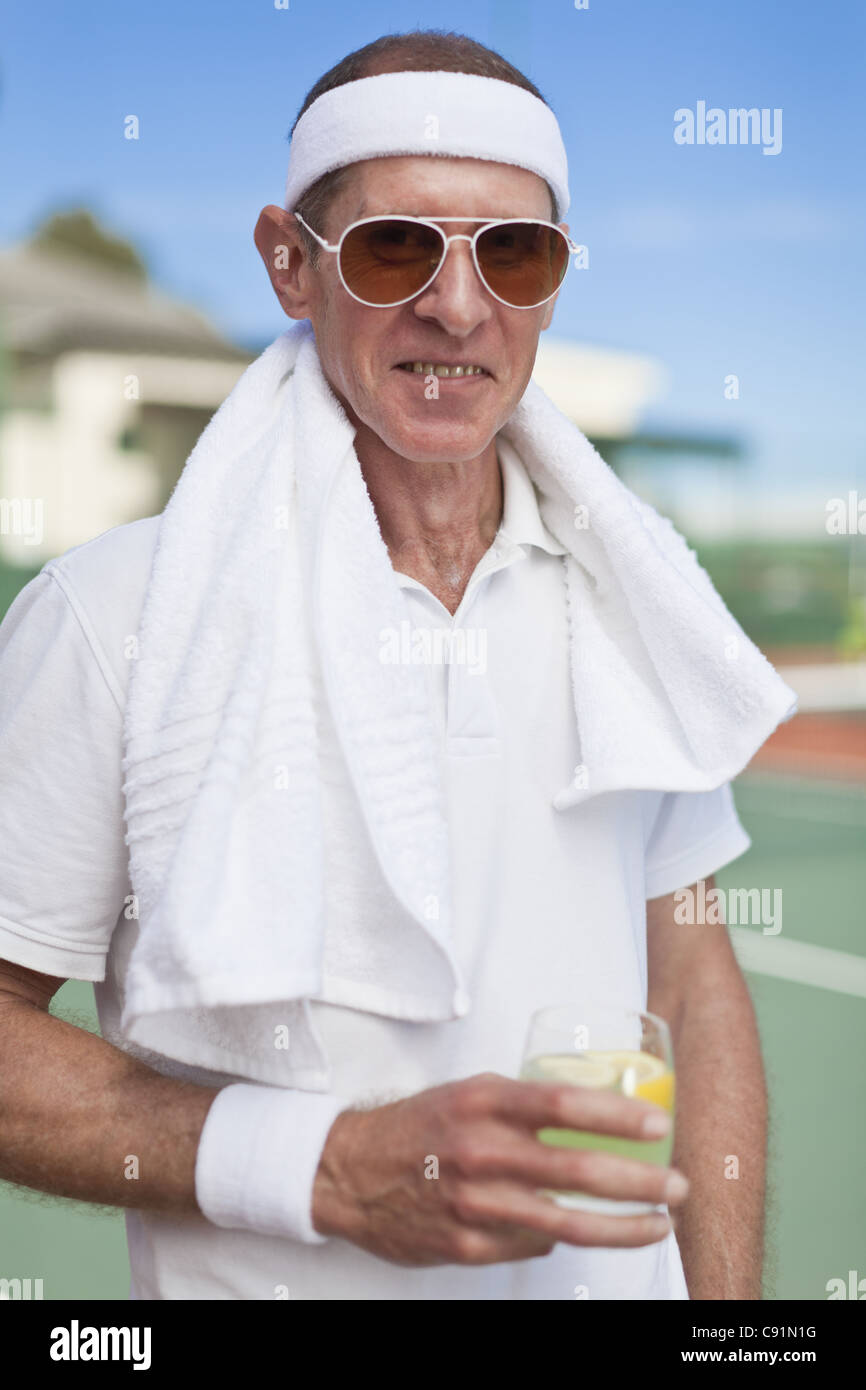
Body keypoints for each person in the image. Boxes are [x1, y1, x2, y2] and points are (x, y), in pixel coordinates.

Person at [0, 31, 796, 1301]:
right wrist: (322, 1165)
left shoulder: (629, 597)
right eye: (394, 246)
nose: (458, 306)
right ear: (288, 264)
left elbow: (690, 979)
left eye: (513, 252)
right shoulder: (108, 617)